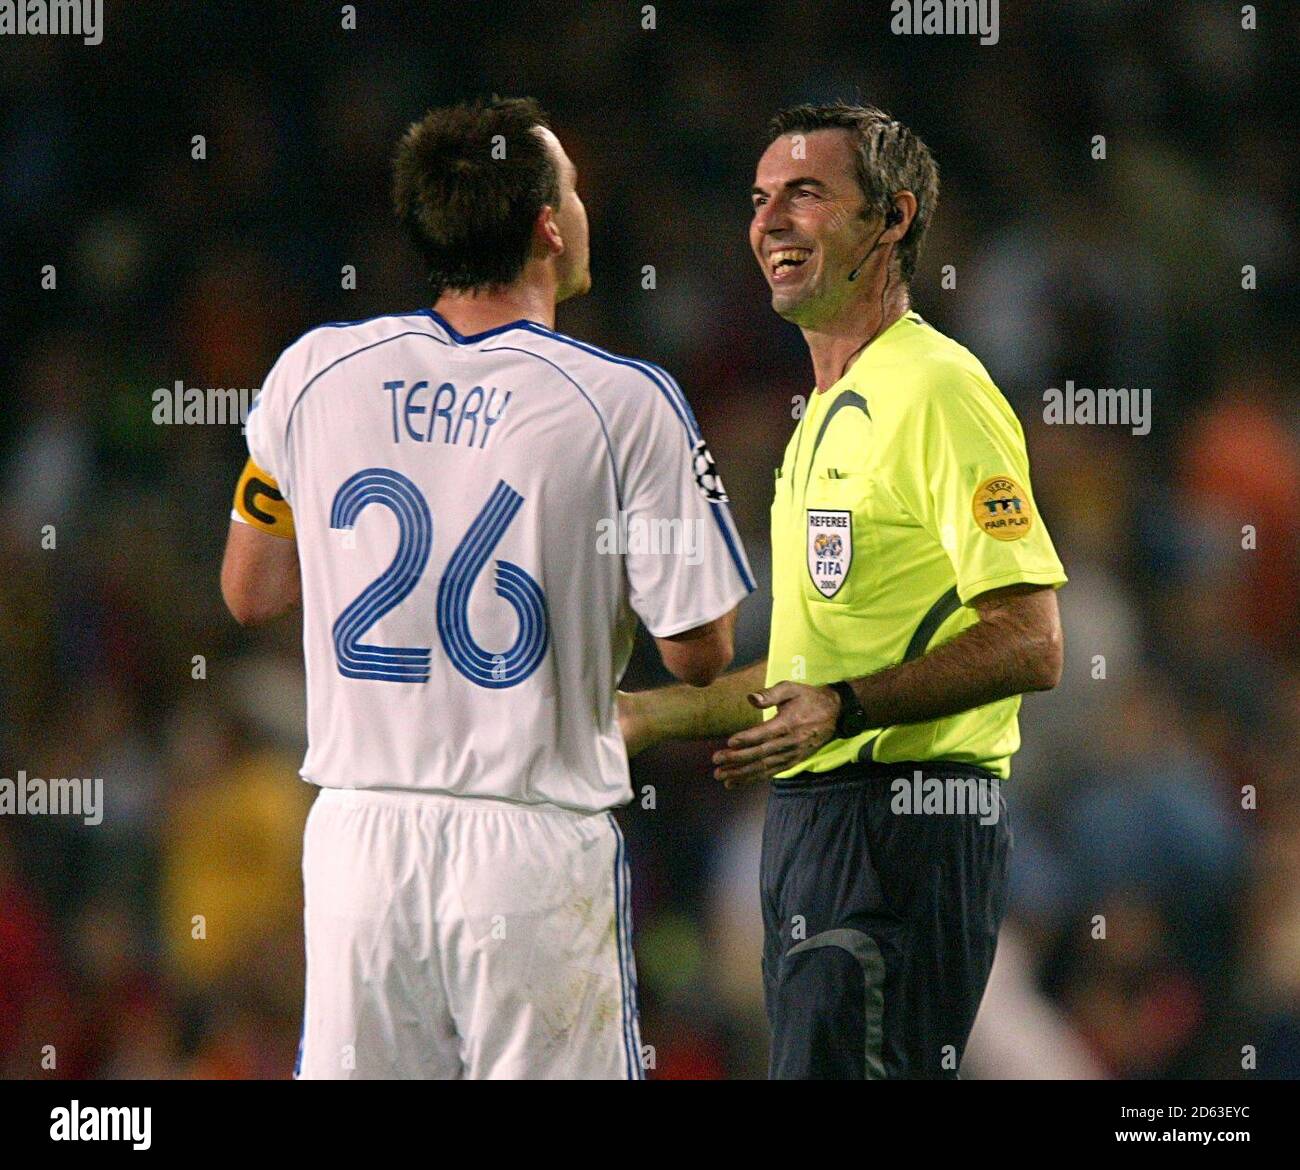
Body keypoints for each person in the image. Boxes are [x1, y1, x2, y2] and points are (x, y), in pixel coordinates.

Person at [219, 97, 754, 1079]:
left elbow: (250, 590)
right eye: (575, 191)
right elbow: (699, 649)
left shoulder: (312, 371)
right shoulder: (627, 403)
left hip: (357, 840)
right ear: (549, 226)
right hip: (529, 843)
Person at [619, 103, 1067, 1079]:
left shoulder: (938, 389)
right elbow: (806, 678)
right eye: (759, 199)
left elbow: (1032, 641)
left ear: (892, 218)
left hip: (905, 824)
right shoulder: (819, 416)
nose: (770, 221)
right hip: (814, 825)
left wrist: (846, 707)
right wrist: (657, 714)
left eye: (806, 194)